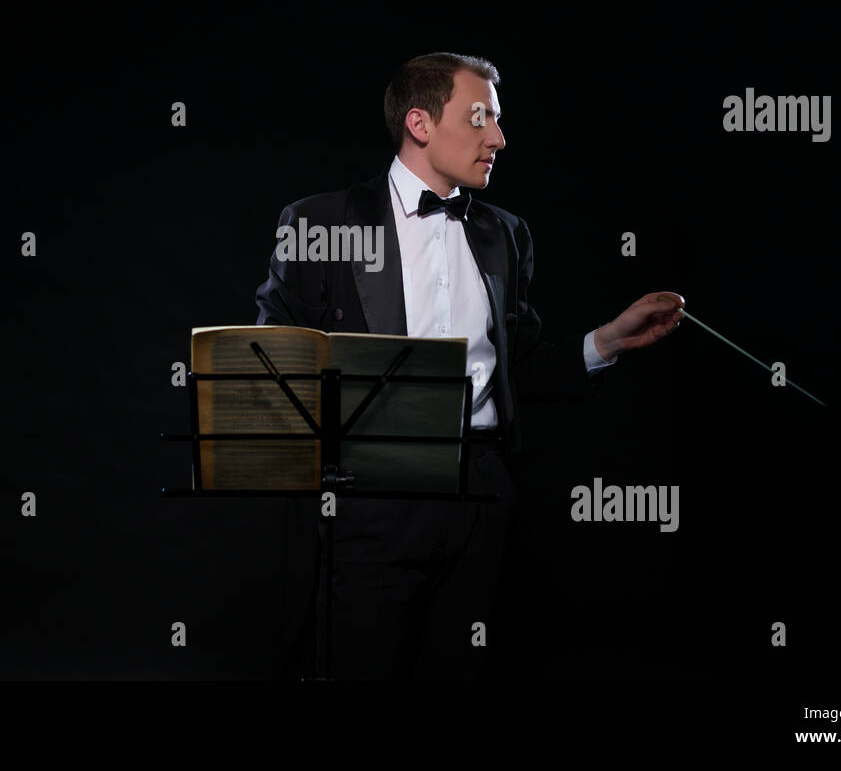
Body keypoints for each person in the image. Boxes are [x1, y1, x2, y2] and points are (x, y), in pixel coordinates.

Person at [255, 52, 683, 680]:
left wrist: (607, 342)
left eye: (499, 121)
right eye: (481, 118)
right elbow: (273, 361)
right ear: (421, 123)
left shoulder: (506, 234)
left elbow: (518, 365)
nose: (499, 139)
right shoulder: (319, 223)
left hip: (482, 495)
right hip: (371, 495)